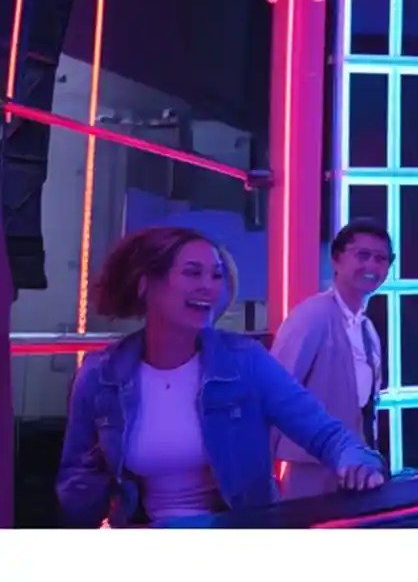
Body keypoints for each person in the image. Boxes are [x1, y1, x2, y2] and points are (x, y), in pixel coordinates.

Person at [55, 227, 385, 528]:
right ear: (145, 284)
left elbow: (322, 431)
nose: (209, 286)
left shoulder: (246, 361)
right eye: (192, 272)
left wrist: (356, 460)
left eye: (216, 275)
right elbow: (77, 479)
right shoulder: (101, 375)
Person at [270, 219, 392, 499]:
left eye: (381, 258)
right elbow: (275, 395)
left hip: (357, 469)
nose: (372, 266)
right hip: (311, 468)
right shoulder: (312, 316)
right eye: (362, 255)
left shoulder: (367, 328)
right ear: (336, 259)